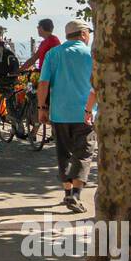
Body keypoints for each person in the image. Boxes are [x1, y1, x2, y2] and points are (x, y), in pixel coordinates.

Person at [38, 20, 96, 213]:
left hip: (59, 113)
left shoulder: (53, 54)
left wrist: (41, 108)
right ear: (83, 34)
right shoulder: (91, 54)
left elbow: (43, 84)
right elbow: (96, 86)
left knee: (63, 153)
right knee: (84, 153)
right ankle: (76, 195)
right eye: (88, 33)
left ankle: (67, 193)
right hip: (84, 113)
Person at [0, 27, 23, 134]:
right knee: (12, 100)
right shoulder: (4, 46)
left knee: (7, 100)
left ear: (2, 34)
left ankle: (14, 124)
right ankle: (16, 124)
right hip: (13, 76)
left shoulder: (1, 49)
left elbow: (0, 66)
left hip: (3, 78)